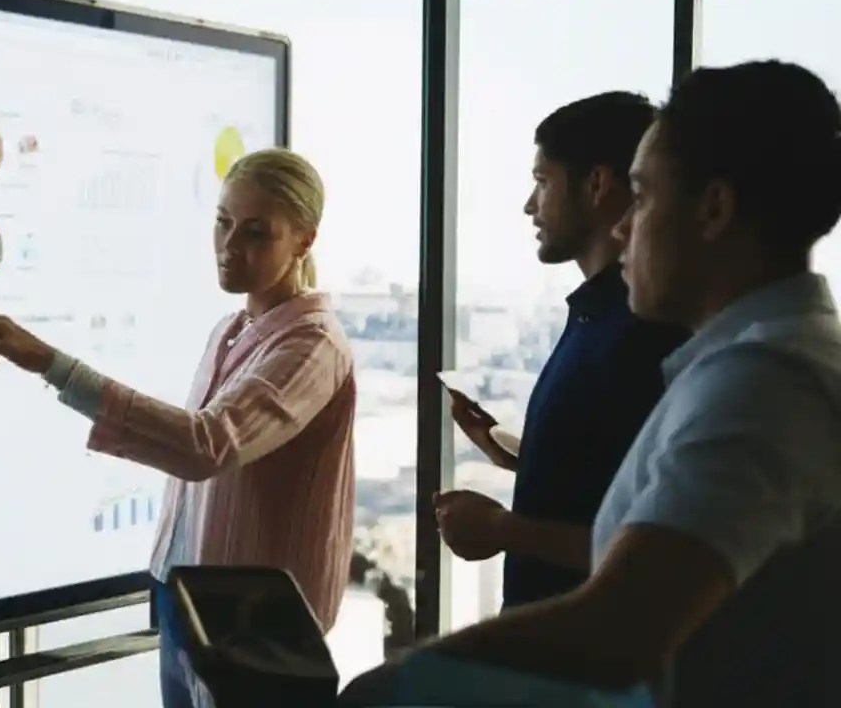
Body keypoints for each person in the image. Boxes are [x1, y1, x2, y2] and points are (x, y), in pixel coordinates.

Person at [342, 60, 841, 707]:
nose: (627, 226)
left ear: (713, 209)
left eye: (646, 195)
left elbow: (623, 624)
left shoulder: (763, 384)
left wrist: (395, 682)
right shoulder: (774, 360)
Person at [0, 148, 356, 708]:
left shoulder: (311, 345)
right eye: (222, 222)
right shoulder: (233, 329)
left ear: (304, 241)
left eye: (256, 233)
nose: (229, 246)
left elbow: (206, 445)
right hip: (186, 596)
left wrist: (51, 362)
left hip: (256, 625)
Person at [440, 92, 688, 608]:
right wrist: (520, 457)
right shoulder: (599, 315)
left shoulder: (640, 331)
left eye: (542, 181)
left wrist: (502, 530)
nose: (531, 205)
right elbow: (612, 476)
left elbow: (649, 543)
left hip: (585, 657)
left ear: (597, 184)